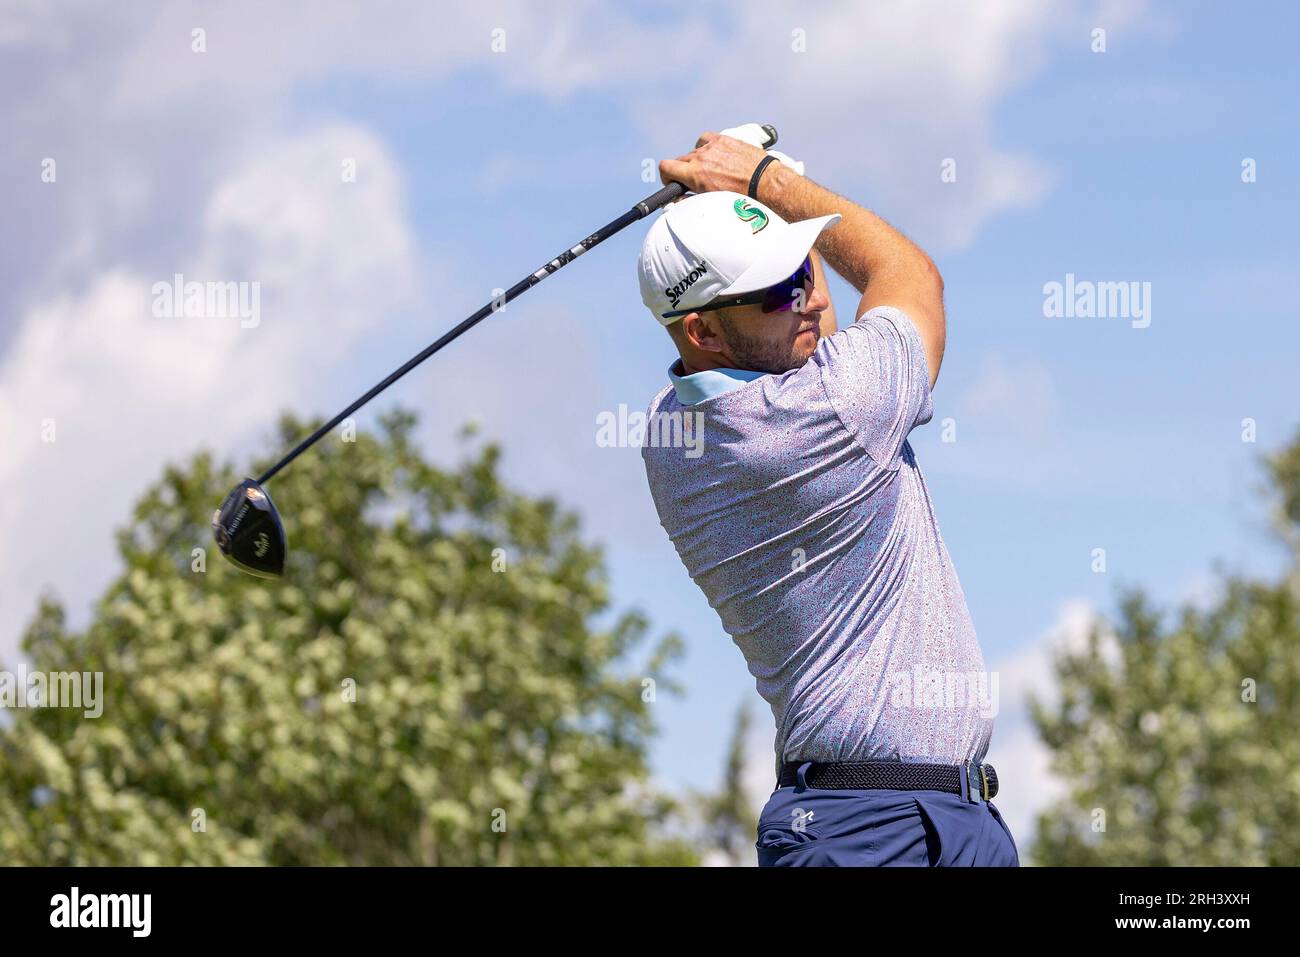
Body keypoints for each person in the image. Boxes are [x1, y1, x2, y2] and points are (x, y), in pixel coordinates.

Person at [637, 126, 1018, 866]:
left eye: (803, 267)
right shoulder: (835, 407)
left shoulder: (668, 434)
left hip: (933, 815)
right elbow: (908, 274)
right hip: (870, 829)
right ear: (704, 332)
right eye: (779, 290)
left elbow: (813, 309)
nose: (810, 297)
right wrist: (765, 182)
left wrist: (742, 224)